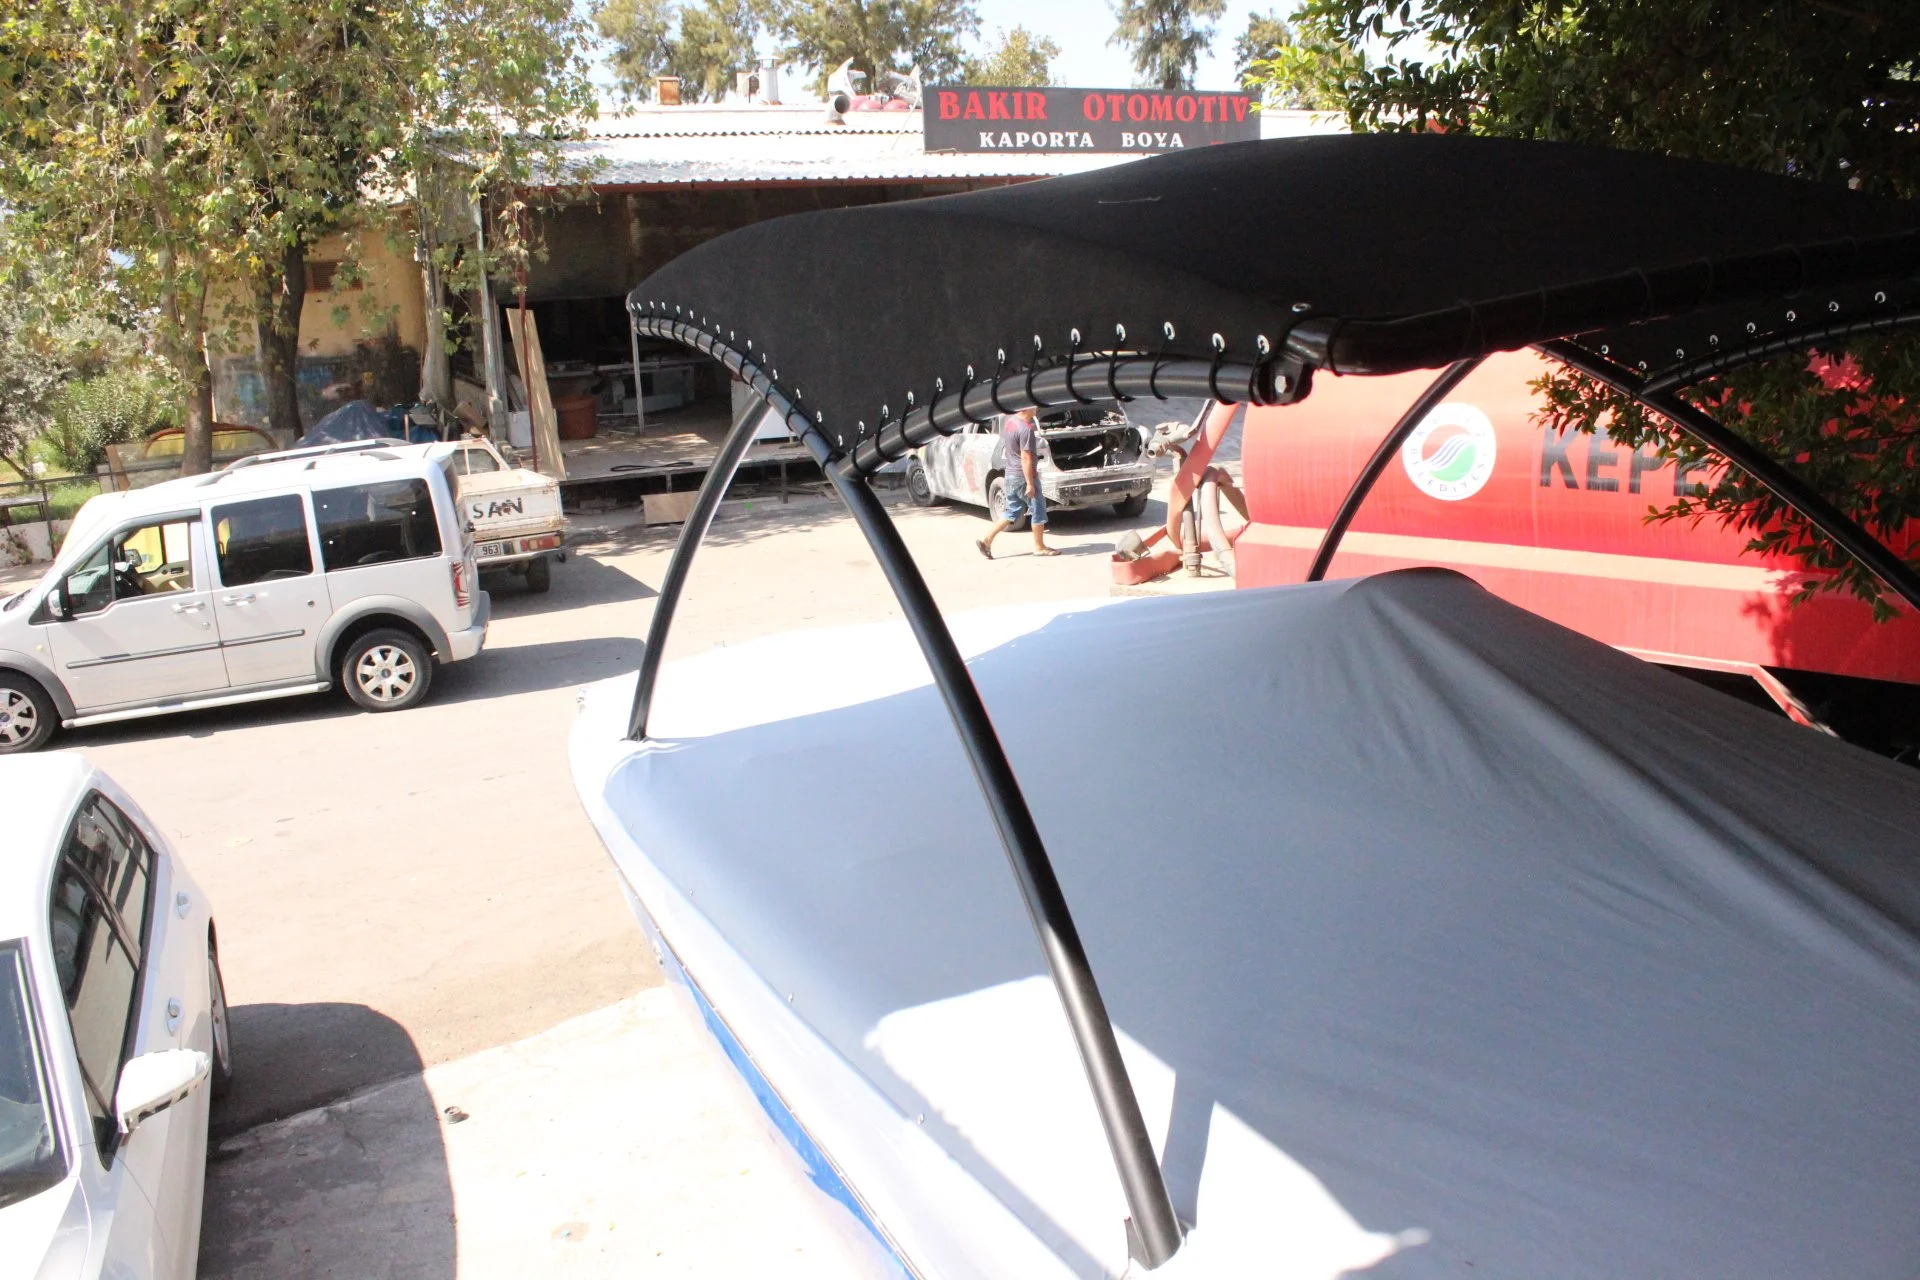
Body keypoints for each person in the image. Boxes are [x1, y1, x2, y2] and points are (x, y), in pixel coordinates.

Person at [977, 408, 1057, 558]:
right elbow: (1025, 458)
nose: (1037, 407)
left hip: (1011, 475)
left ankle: (986, 540)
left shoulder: (1011, 422)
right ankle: (1039, 547)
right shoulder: (1026, 429)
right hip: (1023, 477)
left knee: (1012, 511)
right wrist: (1030, 484)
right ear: (1026, 407)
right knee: (1038, 509)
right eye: (1034, 404)